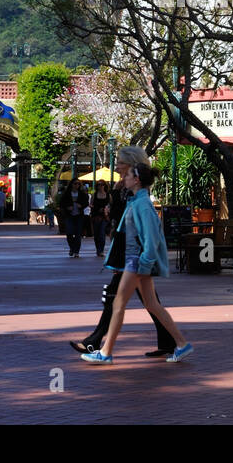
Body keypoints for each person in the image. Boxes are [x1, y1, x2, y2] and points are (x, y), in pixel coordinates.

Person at [80, 146, 192, 364]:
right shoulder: (135, 201)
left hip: (136, 261)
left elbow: (152, 238)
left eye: (128, 173)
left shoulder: (142, 204)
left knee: (119, 304)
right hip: (136, 261)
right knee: (151, 305)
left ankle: (105, 352)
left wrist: (144, 263)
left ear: (136, 178)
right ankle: (181, 344)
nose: (123, 175)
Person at [70, 176, 177, 358]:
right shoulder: (128, 193)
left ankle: (95, 344)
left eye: (121, 166)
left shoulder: (135, 196)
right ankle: (173, 342)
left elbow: (133, 225)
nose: (118, 169)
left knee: (116, 300)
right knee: (150, 302)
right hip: (129, 254)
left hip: (132, 256)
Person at [61, 181, 88, 257]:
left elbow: (86, 203)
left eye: (78, 184)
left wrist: (81, 205)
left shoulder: (82, 194)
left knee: (78, 234)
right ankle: (72, 248)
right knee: (69, 233)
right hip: (69, 215)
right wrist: (67, 207)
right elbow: (62, 203)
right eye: (75, 183)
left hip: (79, 216)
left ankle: (76, 252)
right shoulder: (66, 193)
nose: (77, 185)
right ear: (71, 184)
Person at [90, 181, 111, 256]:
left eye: (102, 185)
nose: (100, 186)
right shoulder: (94, 195)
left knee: (102, 233)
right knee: (96, 234)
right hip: (96, 216)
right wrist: (95, 208)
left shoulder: (108, 195)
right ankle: (98, 249)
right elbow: (91, 205)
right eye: (99, 185)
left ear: (105, 186)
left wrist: (107, 209)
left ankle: (101, 250)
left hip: (104, 217)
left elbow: (111, 205)